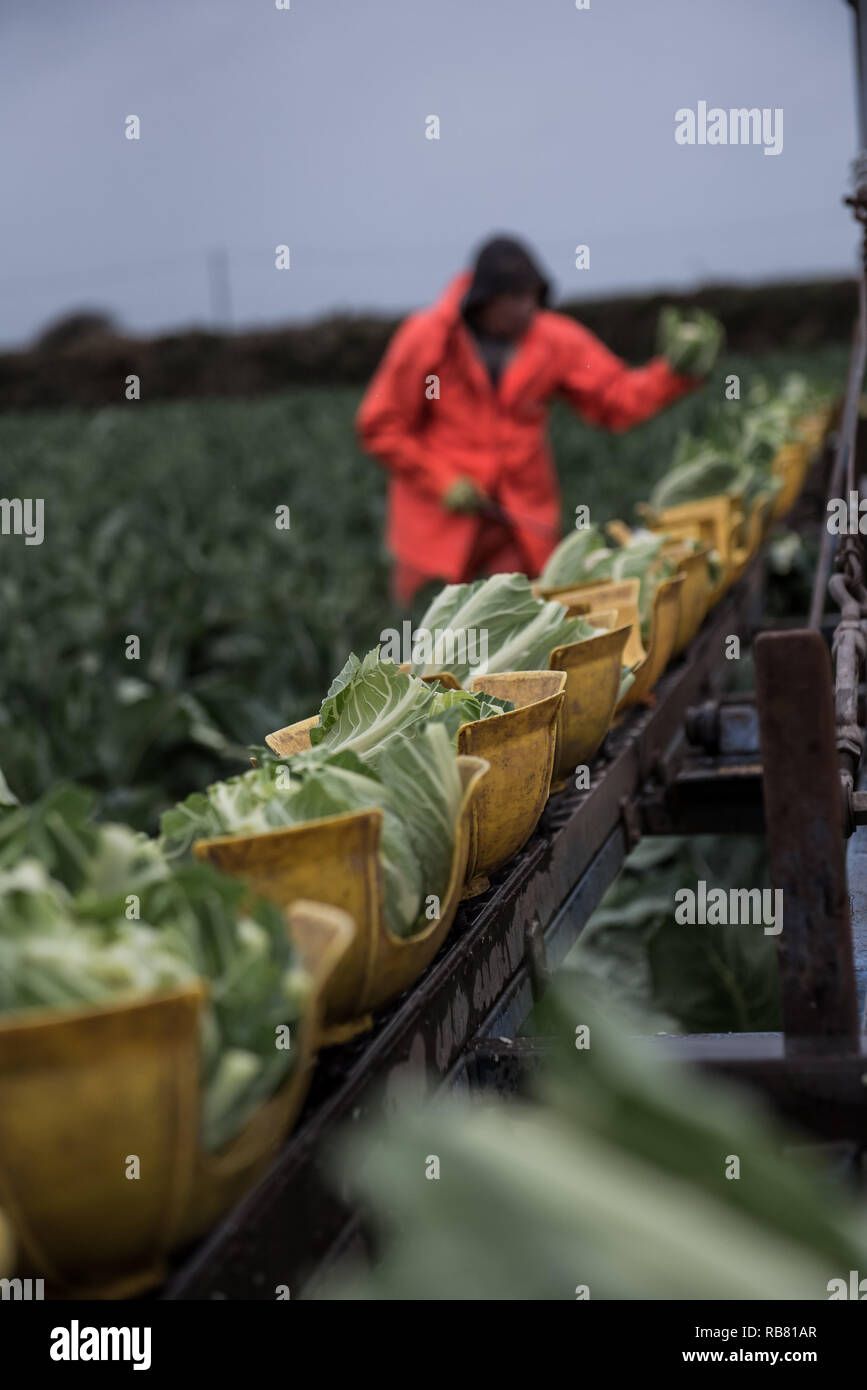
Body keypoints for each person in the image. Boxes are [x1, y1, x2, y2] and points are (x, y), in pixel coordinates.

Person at [357, 235, 716, 604]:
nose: (527, 308)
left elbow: (617, 398)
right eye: (515, 298)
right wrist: (443, 481)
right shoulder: (426, 338)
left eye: (533, 296)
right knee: (429, 639)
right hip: (436, 529)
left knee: (518, 636)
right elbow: (380, 426)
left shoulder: (555, 340)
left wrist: (673, 374)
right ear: (484, 298)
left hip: (519, 526)